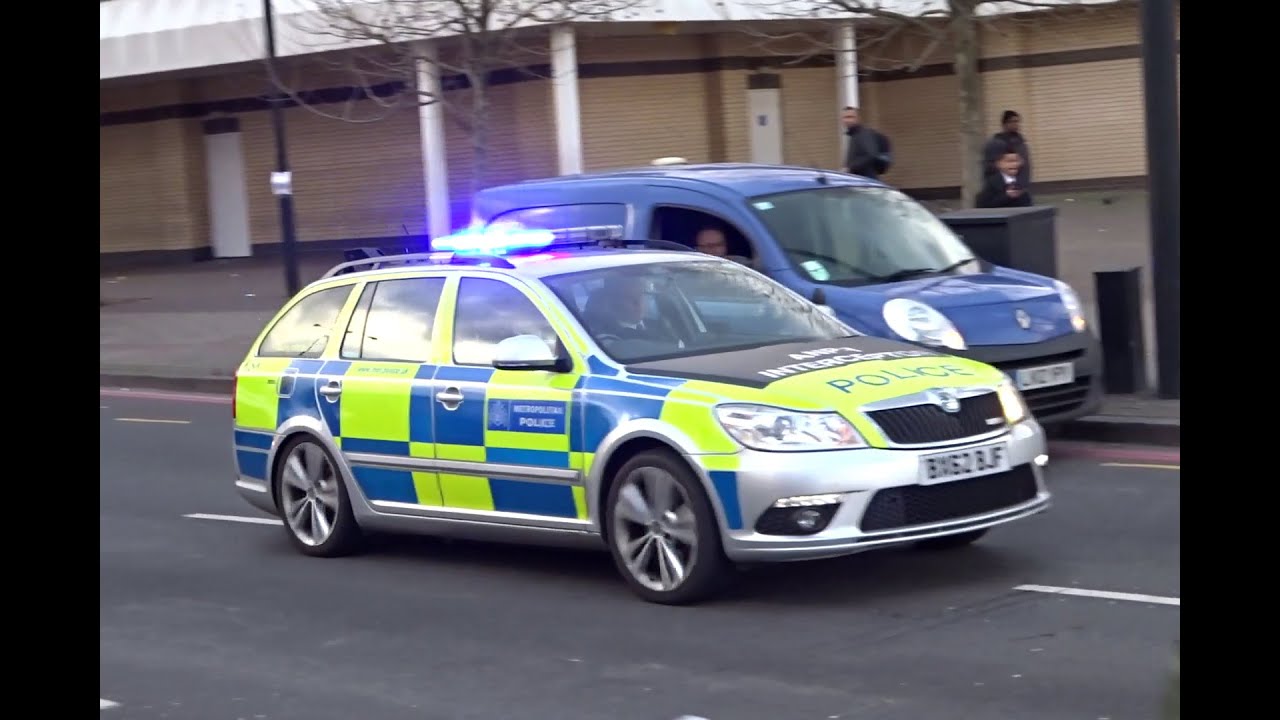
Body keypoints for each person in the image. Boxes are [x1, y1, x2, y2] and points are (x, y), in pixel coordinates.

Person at [840, 106, 892, 180]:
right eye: (845, 117)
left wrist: (850, 168)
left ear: (858, 118)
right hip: (861, 179)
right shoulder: (854, 135)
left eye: (851, 117)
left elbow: (871, 154)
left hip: (866, 180)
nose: (847, 120)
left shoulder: (863, 134)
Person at [983, 110, 1032, 187]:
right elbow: (989, 166)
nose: (1016, 124)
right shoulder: (997, 143)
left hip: (1022, 185)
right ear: (1004, 124)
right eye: (1012, 121)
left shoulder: (1020, 142)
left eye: (1017, 121)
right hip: (1005, 187)